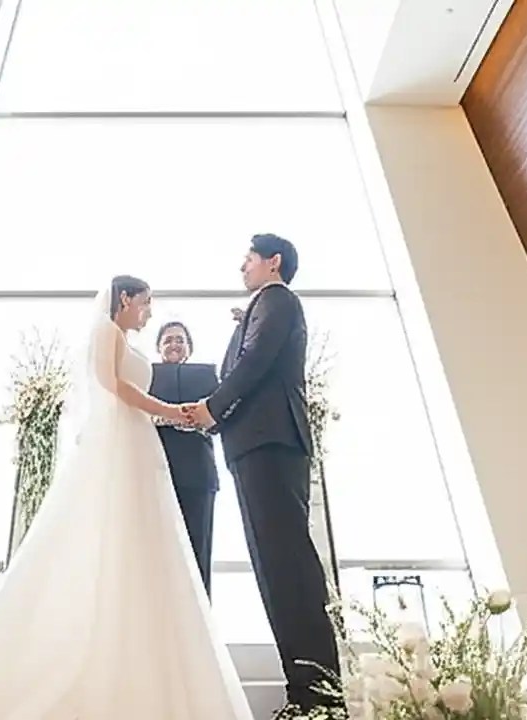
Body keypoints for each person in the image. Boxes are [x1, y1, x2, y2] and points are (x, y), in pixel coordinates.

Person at [0, 276, 254, 720]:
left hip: (140, 446)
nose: (150, 311)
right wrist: (171, 411)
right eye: (146, 303)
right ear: (125, 299)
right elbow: (114, 386)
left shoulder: (128, 340)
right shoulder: (106, 332)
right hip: (121, 444)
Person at [184, 234, 344, 715]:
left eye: (249, 259)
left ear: (273, 262)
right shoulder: (262, 307)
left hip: (271, 443)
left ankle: (321, 699)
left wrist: (211, 409)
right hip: (256, 447)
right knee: (275, 571)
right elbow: (249, 357)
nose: (242, 267)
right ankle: (305, 693)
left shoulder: (278, 299)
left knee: (288, 569)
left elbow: (255, 362)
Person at [149, 321, 221, 596]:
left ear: (189, 347)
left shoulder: (207, 375)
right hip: (156, 471)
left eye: (180, 339)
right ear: (158, 348)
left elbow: (219, 418)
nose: (174, 344)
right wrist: (169, 417)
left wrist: (199, 421)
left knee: (198, 551)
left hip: (198, 473)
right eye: (168, 340)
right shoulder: (148, 376)